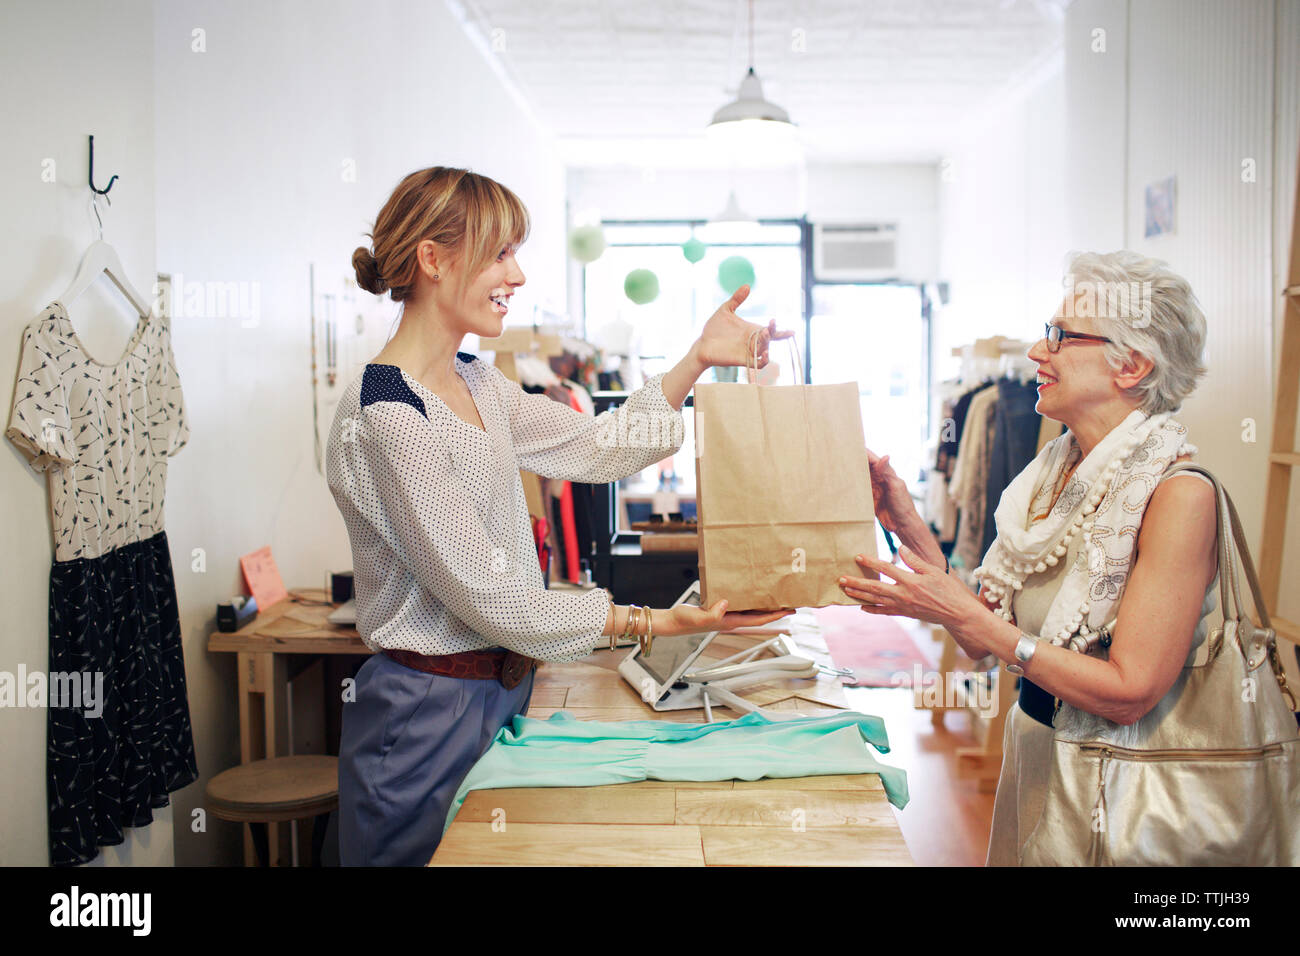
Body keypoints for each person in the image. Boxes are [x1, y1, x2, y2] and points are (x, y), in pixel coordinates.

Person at [327, 166, 792, 866]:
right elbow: (492, 598)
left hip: (503, 691)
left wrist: (696, 360)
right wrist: (650, 623)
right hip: (427, 711)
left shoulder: (477, 379)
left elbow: (599, 444)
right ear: (432, 258)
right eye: (499, 253)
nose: (516, 274)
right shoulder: (389, 411)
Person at [835, 250, 1219, 866]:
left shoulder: (1178, 495)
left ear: (1134, 365)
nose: (1039, 353)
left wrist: (981, 624)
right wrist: (908, 523)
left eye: (1061, 337)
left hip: (1124, 786)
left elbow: (1130, 691)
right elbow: (984, 639)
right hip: (1040, 748)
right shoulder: (1051, 479)